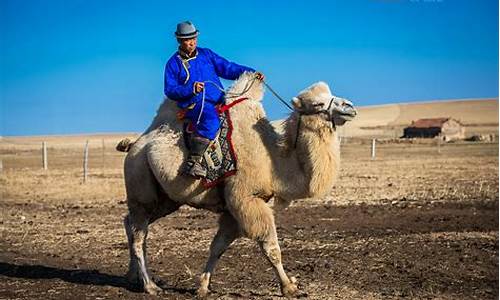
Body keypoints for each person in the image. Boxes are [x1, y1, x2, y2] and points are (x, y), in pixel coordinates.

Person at [164, 21, 264, 178]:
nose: (191, 42)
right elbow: (170, 90)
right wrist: (190, 89)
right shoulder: (172, 64)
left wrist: (251, 73)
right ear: (179, 40)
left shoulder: (206, 54)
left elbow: (228, 68)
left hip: (219, 100)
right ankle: (193, 162)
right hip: (195, 104)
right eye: (187, 39)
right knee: (211, 121)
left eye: (193, 38)